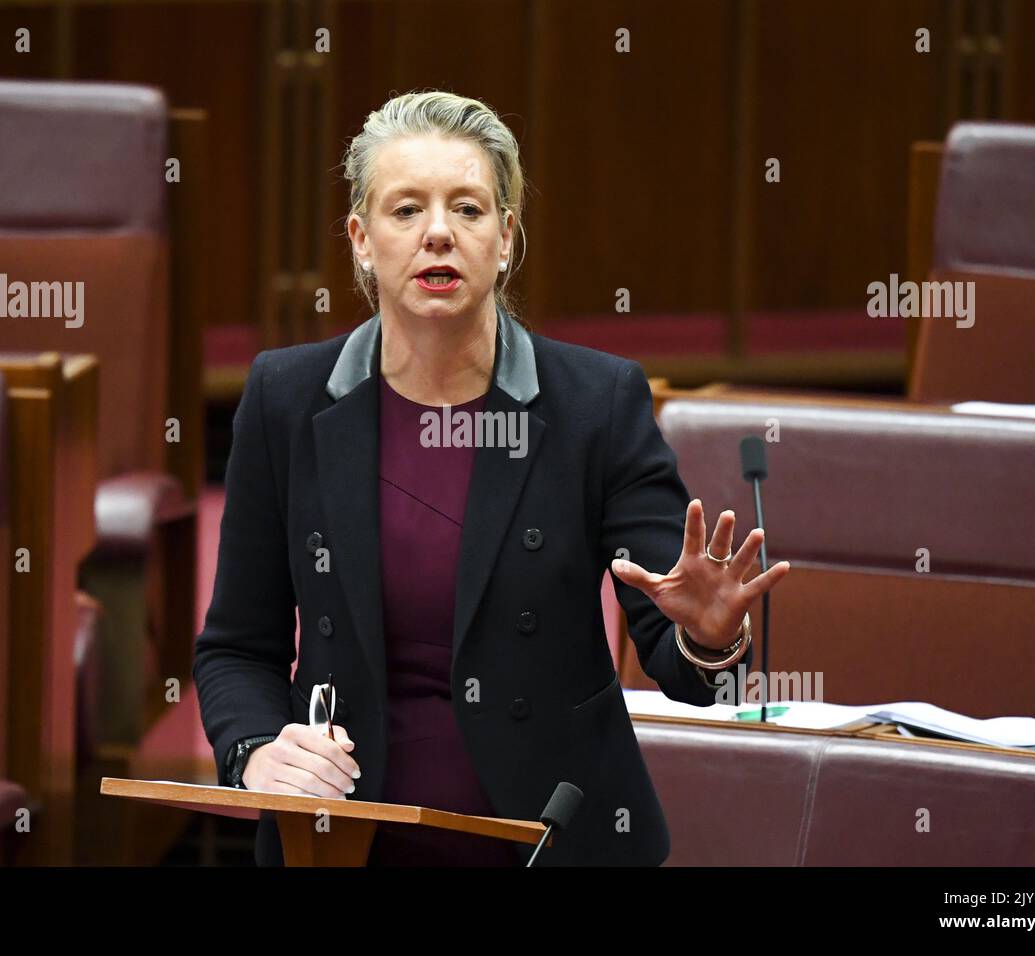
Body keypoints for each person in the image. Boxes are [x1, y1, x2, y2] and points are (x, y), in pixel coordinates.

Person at [193, 90, 789, 866]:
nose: (438, 232)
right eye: (406, 210)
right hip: (343, 840)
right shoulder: (285, 399)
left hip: (549, 837)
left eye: (468, 209)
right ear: (361, 240)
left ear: (506, 237)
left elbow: (690, 670)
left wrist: (709, 639)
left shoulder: (595, 405)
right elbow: (237, 648)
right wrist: (256, 754)